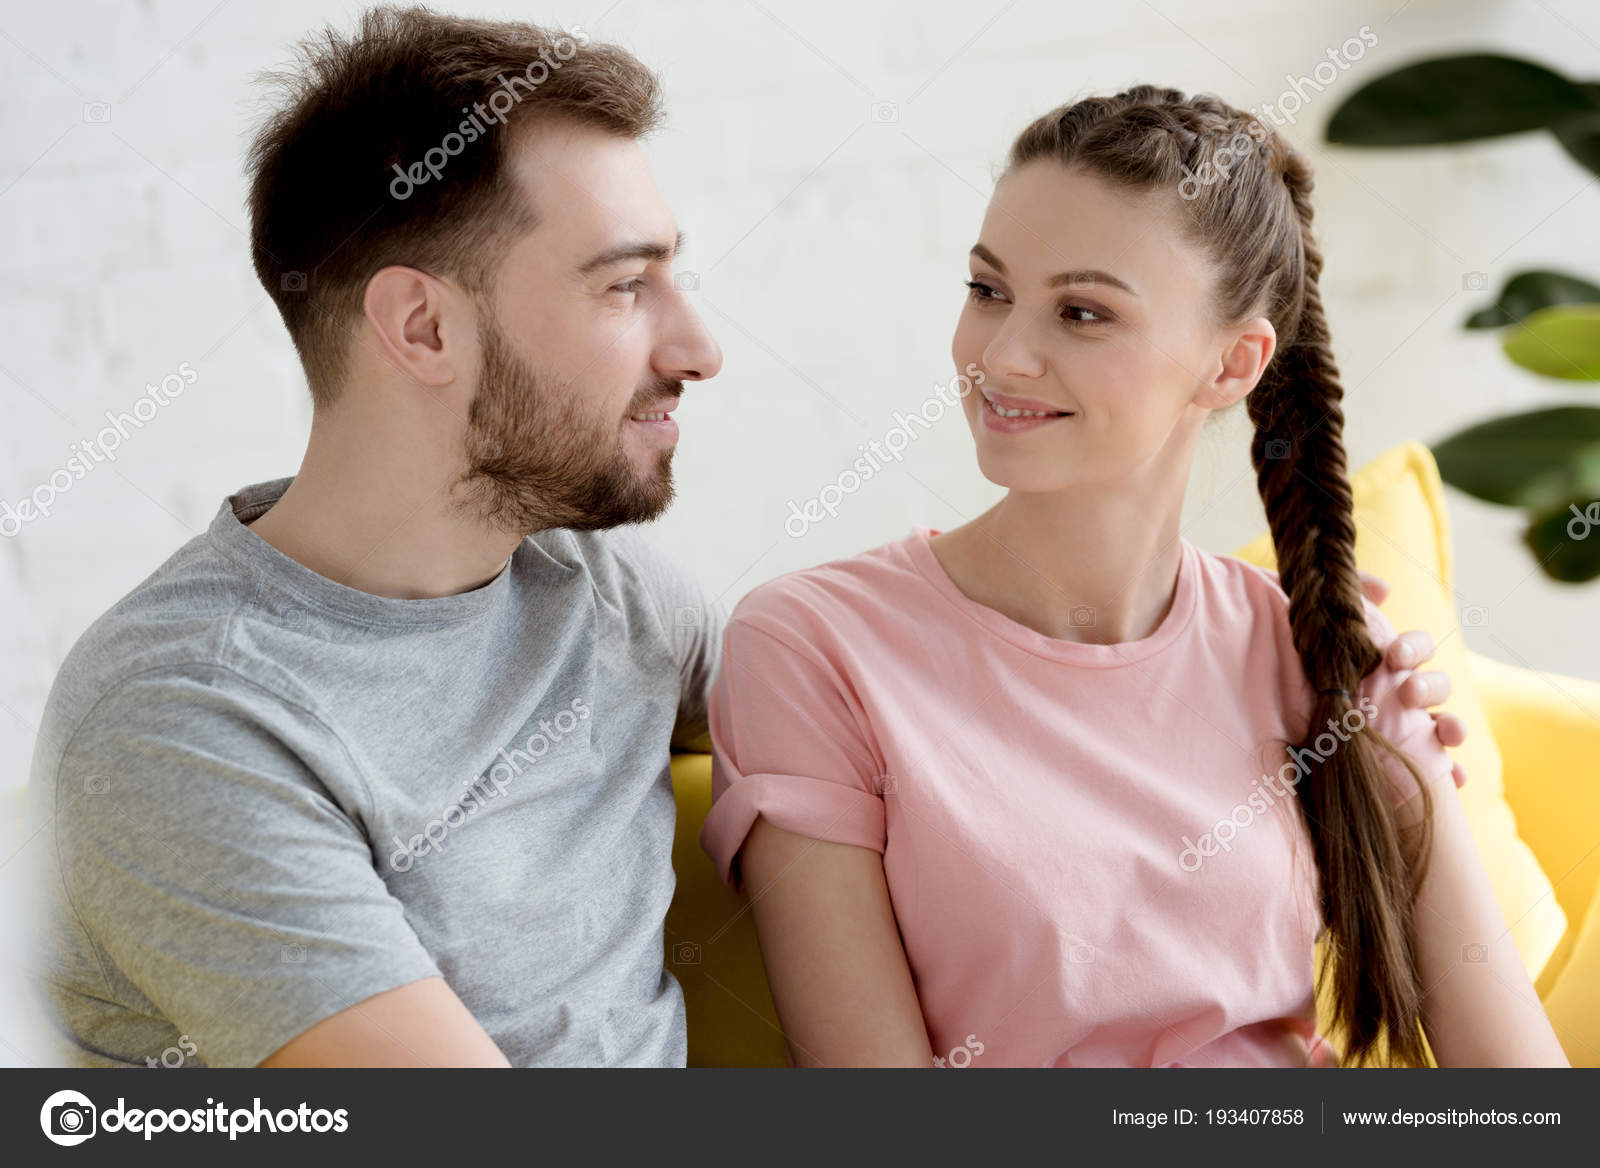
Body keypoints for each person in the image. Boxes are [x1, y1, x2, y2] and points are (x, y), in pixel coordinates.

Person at [700, 87, 1566, 1068]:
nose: (1003, 355)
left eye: (1081, 312)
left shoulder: (1319, 650)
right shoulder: (814, 645)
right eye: (988, 291)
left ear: (1231, 365)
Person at [27, 8, 723, 1067]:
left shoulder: (605, 590)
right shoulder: (185, 717)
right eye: (626, 285)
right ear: (423, 328)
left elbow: (881, 745)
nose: (700, 348)